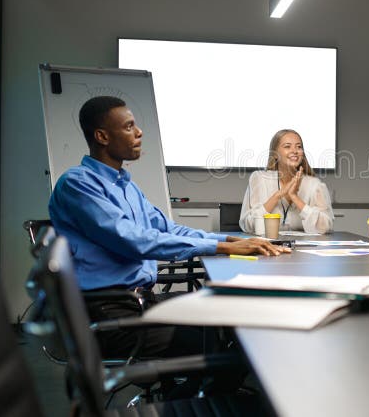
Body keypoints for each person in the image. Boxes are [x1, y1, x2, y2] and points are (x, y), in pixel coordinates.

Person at [49, 96, 290, 358]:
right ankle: (183, 399)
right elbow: (135, 240)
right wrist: (219, 247)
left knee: (229, 329)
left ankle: (197, 393)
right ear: (102, 137)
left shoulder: (128, 187)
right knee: (229, 349)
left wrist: (232, 241)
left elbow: (169, 230)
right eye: (129, 127)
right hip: (107, 316)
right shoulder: (77, 184)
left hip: (139, 303)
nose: (139, 132)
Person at [240, 129, 334, 235]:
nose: (295, 151)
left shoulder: (315, 185)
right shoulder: (259, 179)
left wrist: (295, 197)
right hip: (268, 246)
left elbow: (325, 227)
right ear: (275, 154)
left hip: (303, 248)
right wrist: (277, 196)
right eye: (287, 146)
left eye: (299, 147)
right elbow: (248, 225)